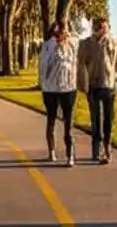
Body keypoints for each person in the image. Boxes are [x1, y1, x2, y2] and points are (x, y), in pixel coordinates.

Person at [77, 16, 117, 164]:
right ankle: (96, 150)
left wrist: (116, 81)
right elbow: (81, 65)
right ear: (94, 27)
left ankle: (107, 150)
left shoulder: (114, 43)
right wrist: (83, 85)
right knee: (95, 120)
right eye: (99, 26)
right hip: (93, 86)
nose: (102, 29)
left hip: (109, 87)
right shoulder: (86, 44)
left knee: (109, 120)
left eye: (105, 26)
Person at [38, 19, 79, 166]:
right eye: (63, 30)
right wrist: (44, 84)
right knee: (51, 121)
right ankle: (52, 152)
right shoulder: (48, 46)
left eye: (67, 29)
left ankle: (70, 155)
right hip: (51, 90)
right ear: (56, 31)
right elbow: (43, 67)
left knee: (69, 124)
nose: (65, 32)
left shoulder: (72, 45)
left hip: (69, 89)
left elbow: (78, 40)